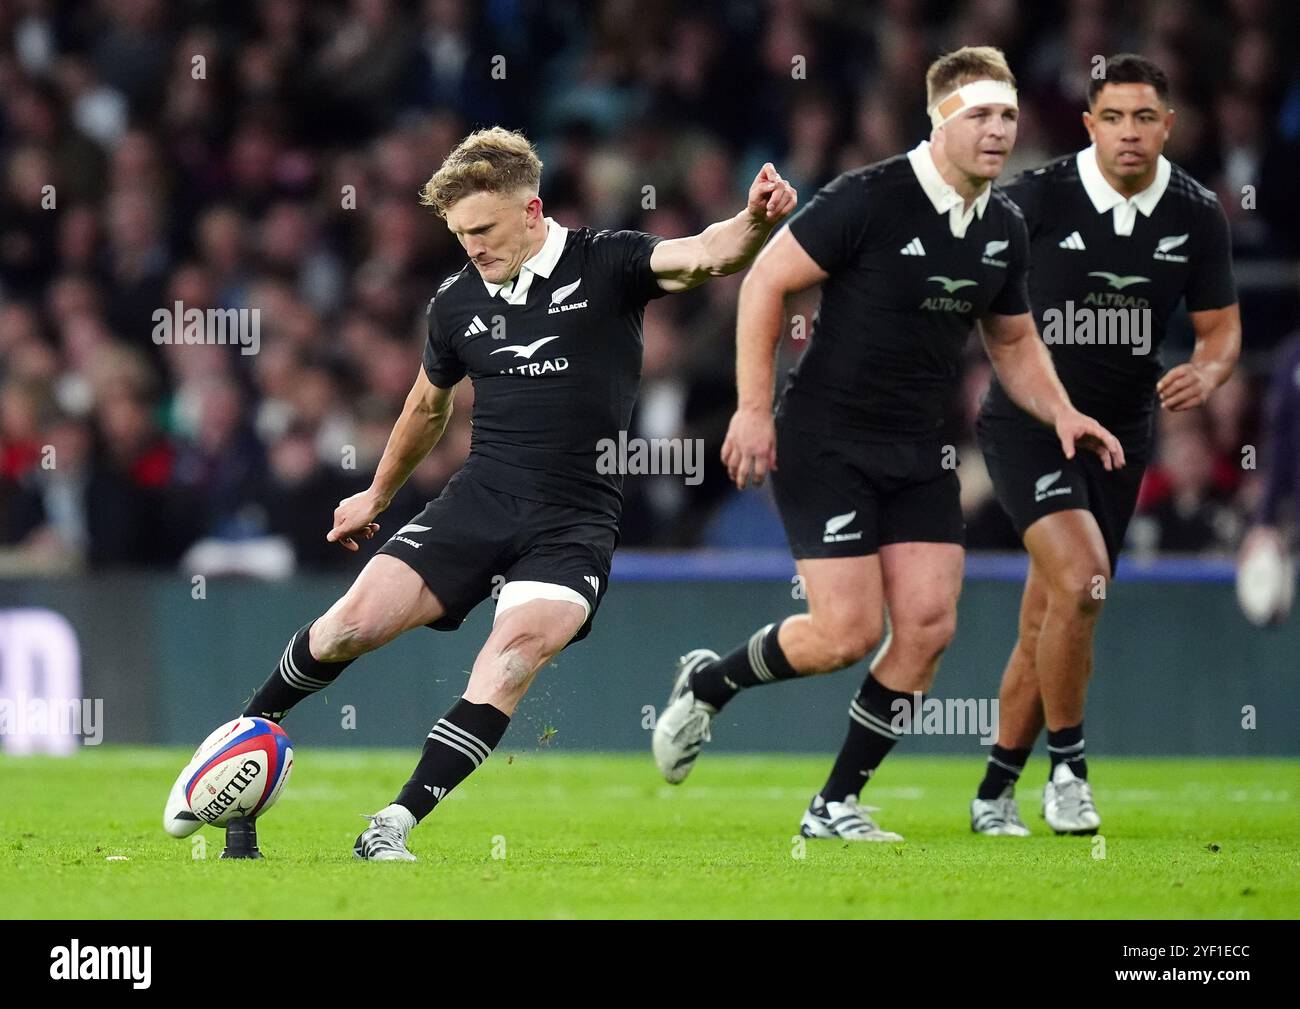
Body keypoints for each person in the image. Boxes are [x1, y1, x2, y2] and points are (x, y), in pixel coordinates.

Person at [163, 126, 797, 860]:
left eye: (485, 229)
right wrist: (376, 493)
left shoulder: (608, 262)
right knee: (348, 626)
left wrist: (754, 220)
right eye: (461, 233)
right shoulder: (457, 301)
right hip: (479, 500)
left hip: (573, 522)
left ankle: (391, 824)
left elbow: (707, 254)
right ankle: (229, 761)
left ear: (531, 212)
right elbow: (425, 408)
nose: (473, 246)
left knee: (513, 656)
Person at [653, 47, 1123, 842]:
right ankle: (711, 680)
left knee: (931, 624)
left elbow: (1012, 345)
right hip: (825, 439)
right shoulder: (869, 198)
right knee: (845, 634)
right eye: (980, 113)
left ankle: (833, 804)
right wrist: (753, 409)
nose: (998, 129)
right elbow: (766, 281)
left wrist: (1062, 411)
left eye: (1008, 114)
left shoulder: (1003, 226)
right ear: (940, 120)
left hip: (919, 448)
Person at [970, 53, 1240, 835]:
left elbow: (1222, 333)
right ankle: (1070, 770)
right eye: (1114, 118)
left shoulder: (1196, 213)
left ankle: (993, 792)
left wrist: (1209, 371)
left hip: (1121, 433)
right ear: (1089, 125)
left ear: (1169, 125)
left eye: (1145, 117)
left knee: (1053, 613)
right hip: (1031, 422)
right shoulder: (1035, 198)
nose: (1130, 133)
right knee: (1085, 581)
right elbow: (978, 294)